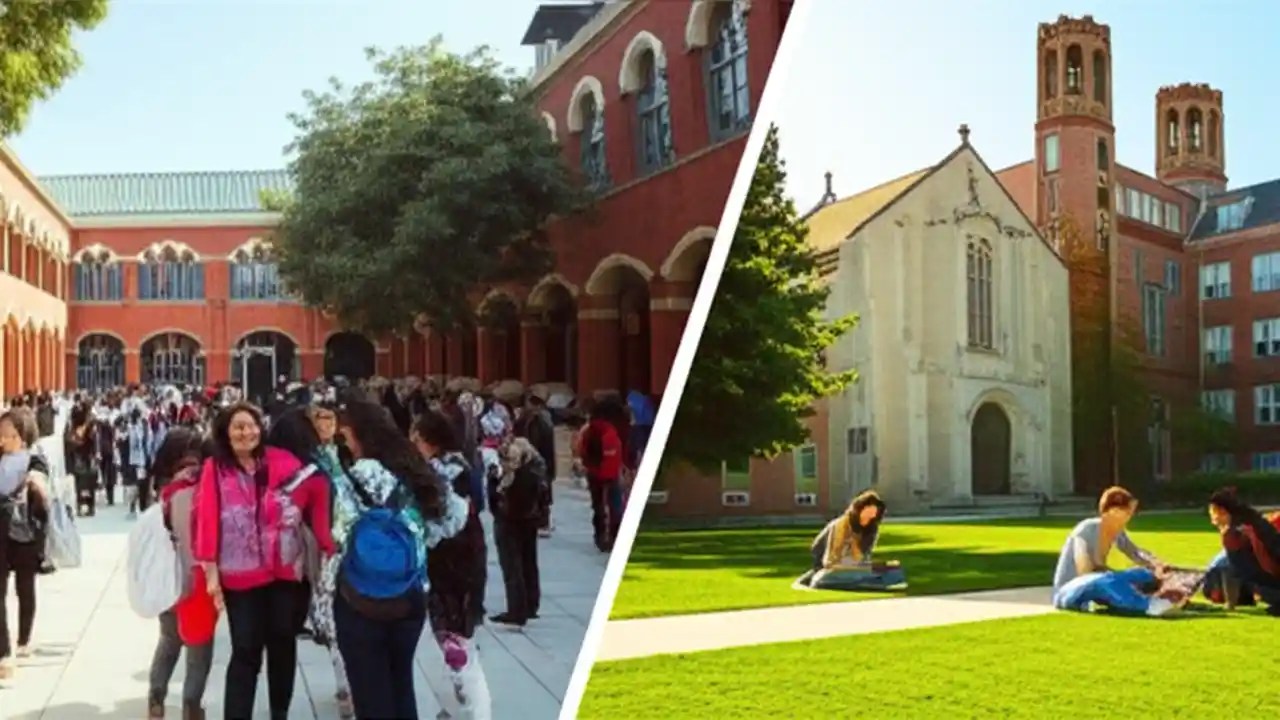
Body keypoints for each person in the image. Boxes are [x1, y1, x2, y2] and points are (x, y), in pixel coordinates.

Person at [331, 399, 472, 720]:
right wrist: (416, 536)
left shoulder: (354, 477)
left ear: (356, 434)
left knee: (370, 694)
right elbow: (455, 516)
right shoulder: (415, 468)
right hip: (410, 593)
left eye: (346, 436)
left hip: (360, 597)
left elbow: (337, 532)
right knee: (401, 684)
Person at [192, 402, 331, 720]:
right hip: (239, 575)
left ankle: (279, 711)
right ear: (225, 433)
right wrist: (210, 571)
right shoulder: (215, 468)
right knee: (245, 649)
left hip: (283, 571)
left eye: (251, 425)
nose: (246, 432)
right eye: (238, 426)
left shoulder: (283, 461)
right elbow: (207, 519)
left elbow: (314, 492)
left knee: (282, 641)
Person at [146, 429, 215, 720]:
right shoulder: (206, 488)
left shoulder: (164, 494)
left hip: (167, 578)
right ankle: (191, 705)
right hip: (198, 577)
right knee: (199, 645)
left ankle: (156, 699)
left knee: (169, 639)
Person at [305, 400, 355, 719]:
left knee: (341, 617)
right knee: (328, 620)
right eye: (321, 422)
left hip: (346, 542)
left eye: (331, 422)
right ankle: (343, 681)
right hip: (325, 544)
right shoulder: (310, 462)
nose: (327, 428)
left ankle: (347, 685)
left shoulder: (345, 455)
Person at [0, 409, 50, 680]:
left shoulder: (34, 459)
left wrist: (36, 484)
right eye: (2, 432)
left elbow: (41, 479)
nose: (4, 438)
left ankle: (23, 639)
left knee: (24, 587)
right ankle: (3, 650)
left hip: (25, 532)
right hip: (0, 531)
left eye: (10, 433)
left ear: (21, 434)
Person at [1051, 486, 1162, 596]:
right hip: (1070, 589)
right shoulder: (1086, 529)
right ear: (1113, 511)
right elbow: (1084, 570)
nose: (1130, 517)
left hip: (1094, 583)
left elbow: (1135, 553)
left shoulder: (1118, 532)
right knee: (1126, 580)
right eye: (1127, 512)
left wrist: (1155, 564)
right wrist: (1113, 576)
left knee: (1141, 575)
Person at [488, 436, 547, 626]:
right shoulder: (535, 473)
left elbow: (496, 503)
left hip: (510, 523)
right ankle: (530, 604)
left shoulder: (511, 480)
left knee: (512, 566)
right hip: (528, 521)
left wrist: (493, 483)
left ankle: (516, 609)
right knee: (528, 563)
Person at [1205, 488, 1280, 616]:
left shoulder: (1236, 532)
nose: (1214, 519)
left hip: (1266, 578)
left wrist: (1230, 604)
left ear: (1222, 511)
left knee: (1227, 569)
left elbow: (1237, 570)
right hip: (1268, 575)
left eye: (1214, 513)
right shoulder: (1254, 523)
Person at [796, 490, 886, 587]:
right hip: (824, 555)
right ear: (859, 509)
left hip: (847, 562)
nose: (870, 516)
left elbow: (864, 554)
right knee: (819, 577)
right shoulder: (841, 525)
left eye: (873, 513)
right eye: (868, 512)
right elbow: (831, 558)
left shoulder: (872, 529)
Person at [580, 397, 626, 552]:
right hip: (609, 475)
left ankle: (599, 535)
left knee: (598, 506)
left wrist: (589, 467)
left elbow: (582, 450)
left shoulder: (589, 430)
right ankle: (614, 536)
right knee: (614, 506)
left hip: (594, 473)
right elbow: (613, 457)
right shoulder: (610, 433)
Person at [1052, 566, 1186, 617]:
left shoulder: (1119, 577)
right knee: (1136, 603)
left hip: (1064, 593)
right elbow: (1154, 608)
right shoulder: (1117, 584)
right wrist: (1173, 601)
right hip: (1070, 597)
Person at [515, 394, 556, 538]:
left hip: (538, 461)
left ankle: (543, 521)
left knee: (540, 491)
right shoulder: (537, 420)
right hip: (539, 461)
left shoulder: (540, 422)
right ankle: (540, 520)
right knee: (538, 491)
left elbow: (538, 443)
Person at [64, 406, 99, 517]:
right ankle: (90, 506)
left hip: (79, 459)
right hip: (87, 458)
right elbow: (94, 443)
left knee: (79, 485)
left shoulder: (72, 430)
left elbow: (68, 445)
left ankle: (81, 506)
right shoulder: (89, 428)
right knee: (89, 484)